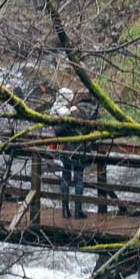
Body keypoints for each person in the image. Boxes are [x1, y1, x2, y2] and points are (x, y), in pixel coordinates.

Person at [51, 87, 88, 218]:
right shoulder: (74, 112)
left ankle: (65, 210)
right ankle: (78, 211)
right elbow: (86, 128)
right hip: (77, 149)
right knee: (78, 180)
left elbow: (58, 131)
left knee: (65, 178)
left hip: (65, 149)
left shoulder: (57, 111)